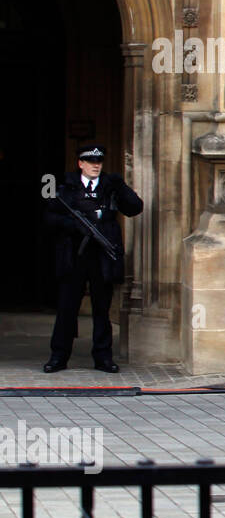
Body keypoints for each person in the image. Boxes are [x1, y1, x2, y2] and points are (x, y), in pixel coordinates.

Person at [43, 143, 143, 373]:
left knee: (102, 309)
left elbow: (135, 208)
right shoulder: (66, 187)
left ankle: (103, 357)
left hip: (102, 258)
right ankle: (59, 356)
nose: (95, 166)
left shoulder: (110, 187)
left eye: (98, 162)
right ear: (80, 164)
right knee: (67, 308)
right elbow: (49, 218)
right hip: (74, 256)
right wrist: (72, 226)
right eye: (90, 162)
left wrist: (121, 187)